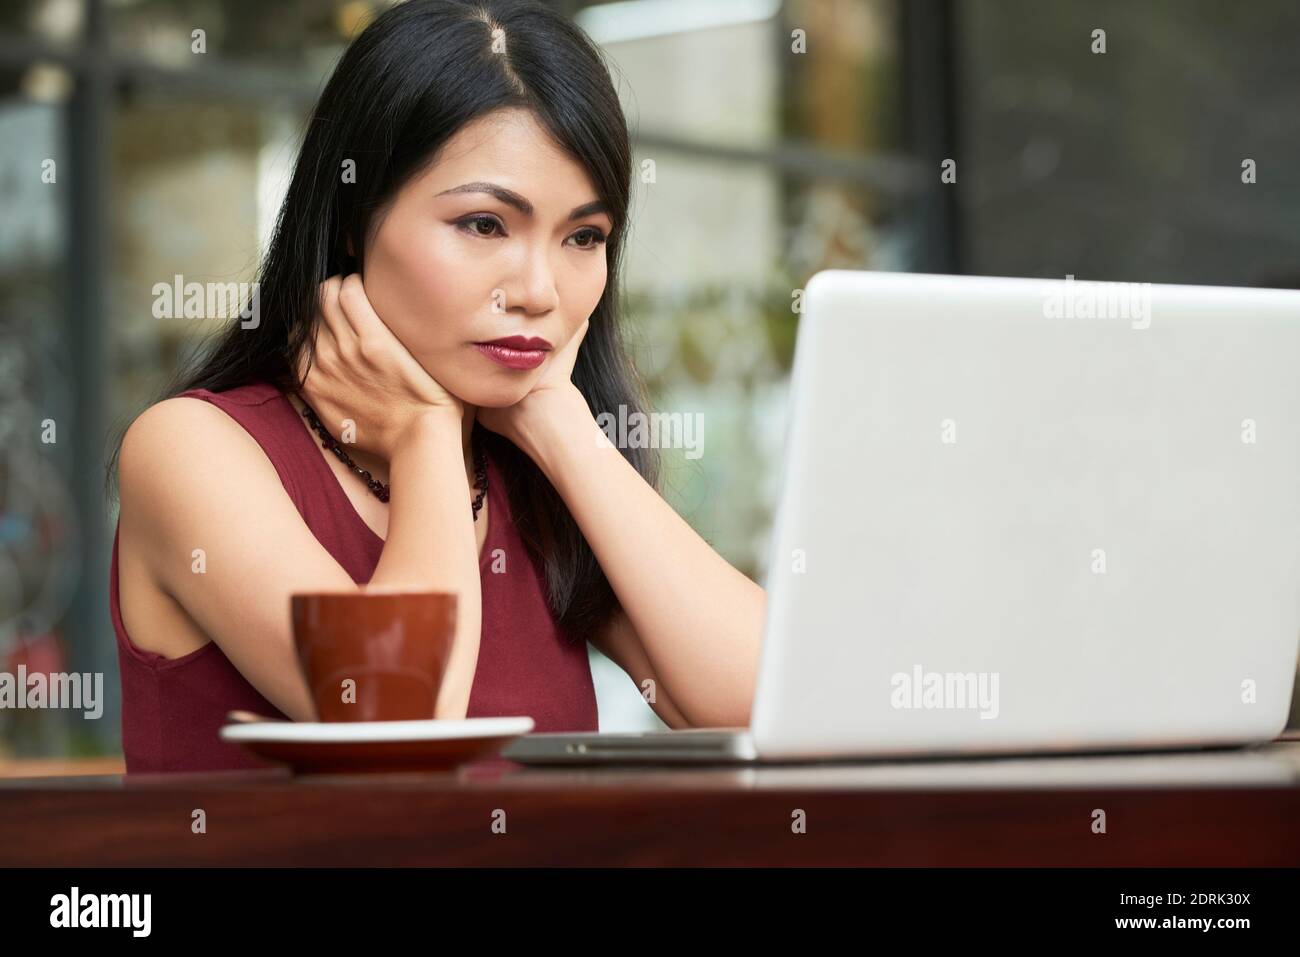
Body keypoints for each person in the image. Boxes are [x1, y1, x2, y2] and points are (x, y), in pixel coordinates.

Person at [105, 0, 764, 773]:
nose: (539, 289)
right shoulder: (194, 447)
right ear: (356, 220)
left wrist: (566, 433)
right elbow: (396, 719)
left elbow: (770, 705)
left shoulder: (528, 468)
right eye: (485, 224)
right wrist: (421, 431)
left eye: (584, 237)